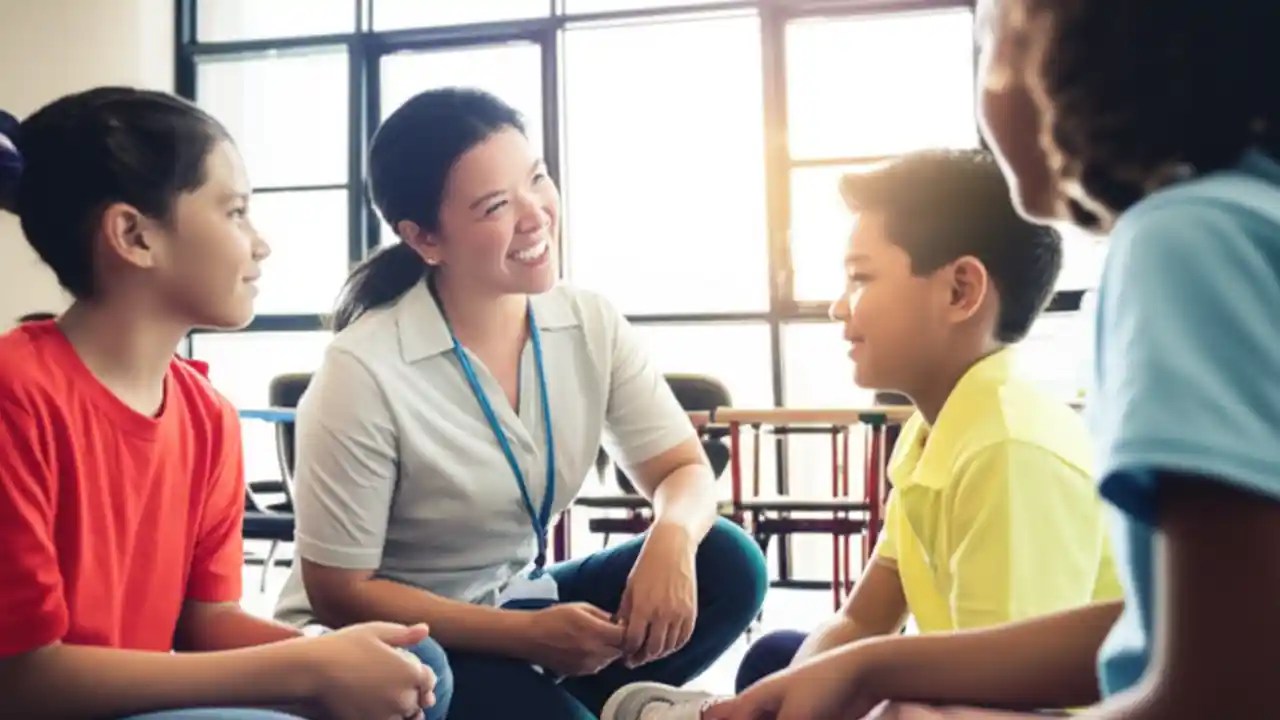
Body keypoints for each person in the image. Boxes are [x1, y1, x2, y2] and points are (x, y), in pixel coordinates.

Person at [632, 0, 1280, 718]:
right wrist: (864, 667)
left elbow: (1226, 689)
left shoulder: (1187, 243)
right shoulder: (1236, 213)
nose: (838, 307)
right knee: (806, 662)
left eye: (991, 39)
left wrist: (881, 686)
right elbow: (1157, 636)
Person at [271, 86, 768, 719]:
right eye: (496, 206)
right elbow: (339, 592)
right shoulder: (364, 370)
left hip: (512, 602)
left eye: (537, 178)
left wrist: (670, 536)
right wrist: (527, 638)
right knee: (477, 685)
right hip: (406, 646)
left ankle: (594, 704)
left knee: (726, 560)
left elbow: (683, 470)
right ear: (425, 237)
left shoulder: (587, 320)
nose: (535, 215)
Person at [601, 149, 1121, 720]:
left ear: (959, 291)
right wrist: (777, 700)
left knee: (889, 707)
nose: (836, 307)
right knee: (780, 661)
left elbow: (996, 698)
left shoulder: (1011, 450)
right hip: (968, 697)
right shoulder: (936, 431)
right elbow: (864, 617)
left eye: (860, 278)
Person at [0, 89, 445, 720]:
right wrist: (309, 666)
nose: (260, 244)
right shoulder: (15, 393)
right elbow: (22, 680)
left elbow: (205, 624)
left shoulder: (205, 414)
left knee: (420, 673)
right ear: (133, 234)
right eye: (235, 212)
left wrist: (341, 657)